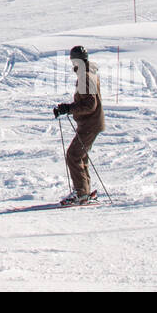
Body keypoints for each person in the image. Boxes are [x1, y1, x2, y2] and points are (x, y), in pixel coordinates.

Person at [54, 45, 105, 205]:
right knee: (80, 156)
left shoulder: (85, 76)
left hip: (90, 123)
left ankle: (82, 193)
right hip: (91, 122)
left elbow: (90, 105)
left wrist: (69, 109)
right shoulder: (88, 73)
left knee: (73, 155)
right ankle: (84, 191)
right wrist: (68, 108)